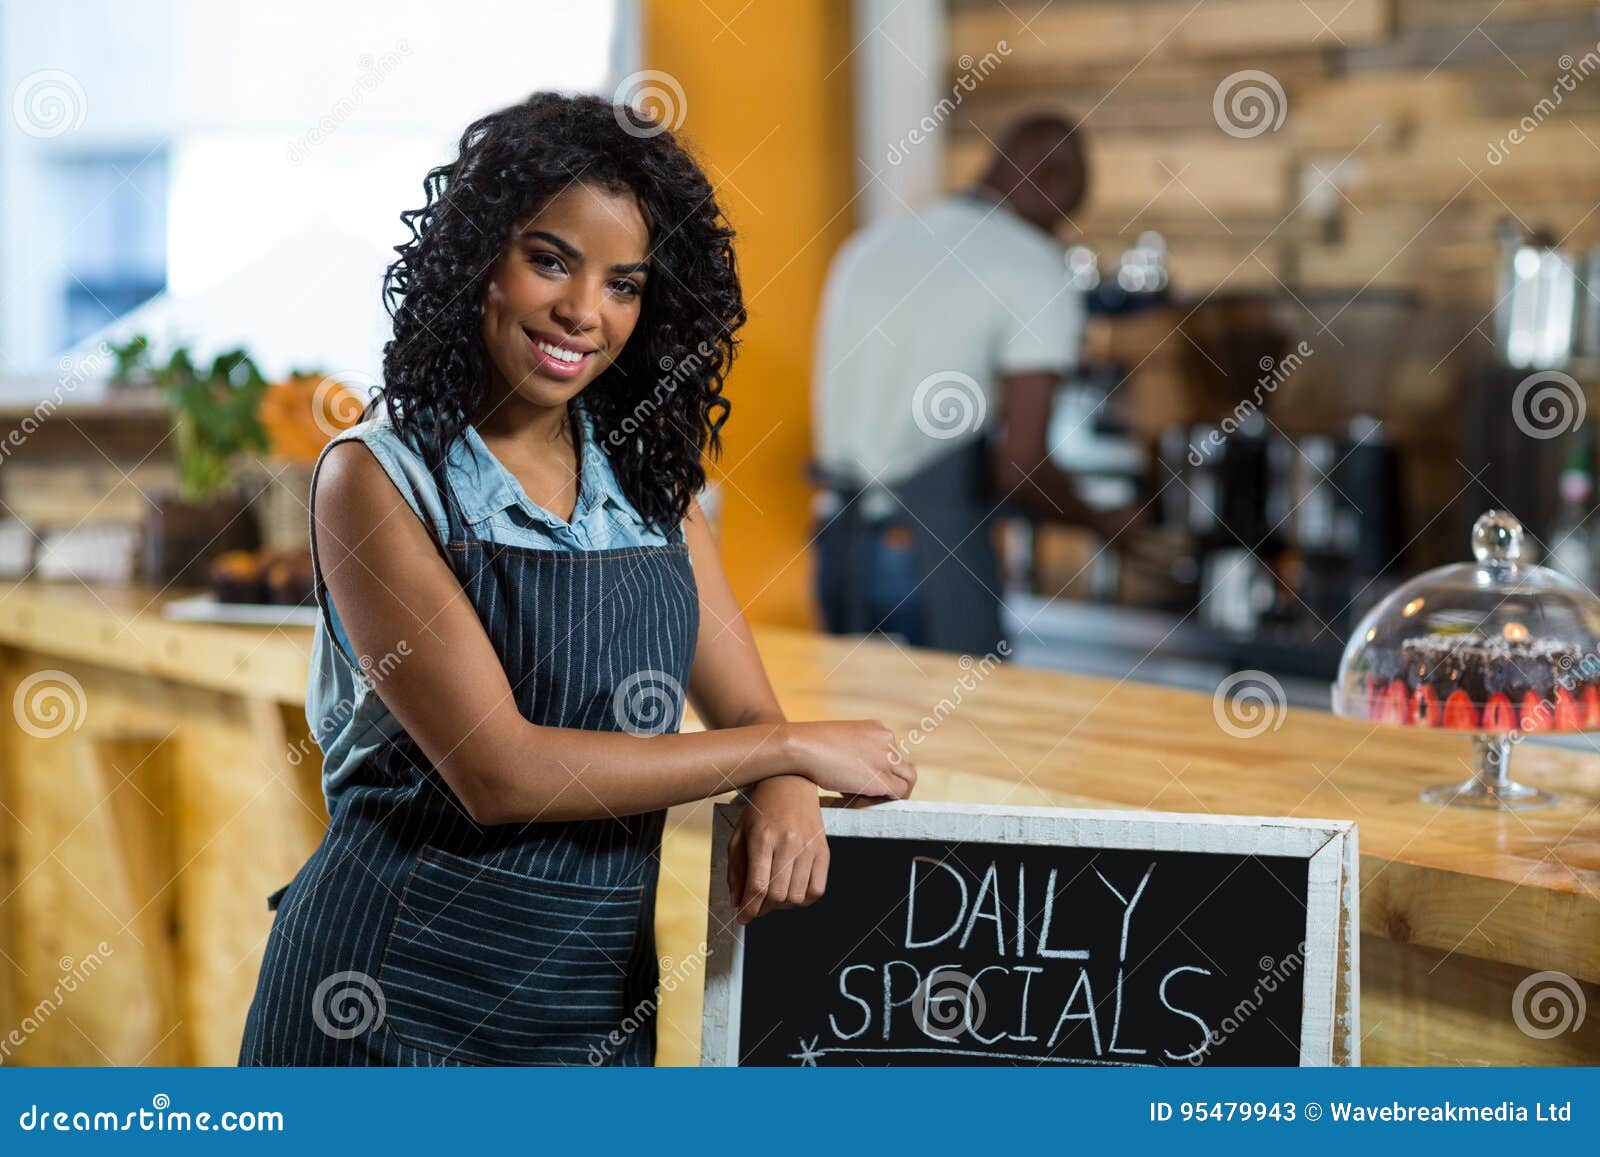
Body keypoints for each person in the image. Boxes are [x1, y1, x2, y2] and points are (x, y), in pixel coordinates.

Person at [238, 93, 916, 1067]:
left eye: (623, 284)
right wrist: (788, 746)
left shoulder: (651, 479)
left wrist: (780, 777)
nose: (583, 311)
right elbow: (499, 771)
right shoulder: (378, 477)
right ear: (478, 259)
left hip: (594, 1009)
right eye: (550, 260)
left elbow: (740, 707)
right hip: (384, 1000)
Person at [810, 112, 1140, 655]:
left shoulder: (868, 248)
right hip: (932, 563)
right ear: (1054, 183)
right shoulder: (1034, 265)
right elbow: (1022, 467)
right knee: (958, 736)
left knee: (854, 730)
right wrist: (1105, 520)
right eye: (1066, 213)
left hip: (838, 552)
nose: (1059, 229)